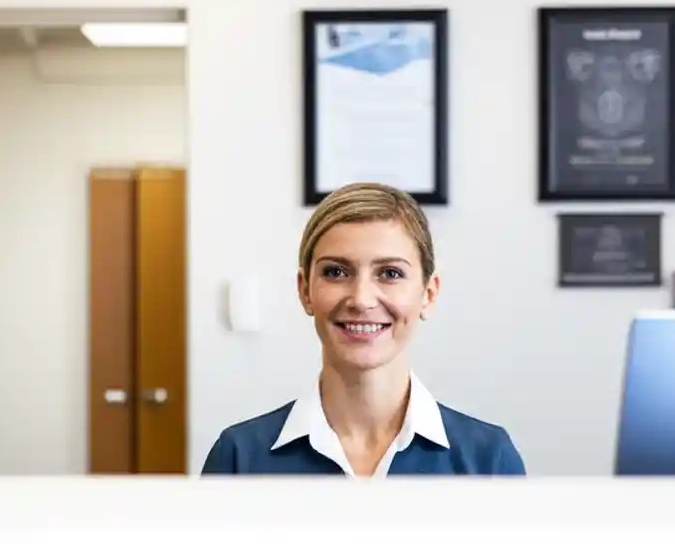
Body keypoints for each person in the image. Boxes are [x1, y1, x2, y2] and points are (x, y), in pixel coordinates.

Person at [202, 182, 525, 476]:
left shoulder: (488, 458)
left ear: (428, 293)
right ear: (304, 290)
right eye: (336, 272)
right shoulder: (239, 456)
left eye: (390, 273)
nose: (361, 299)